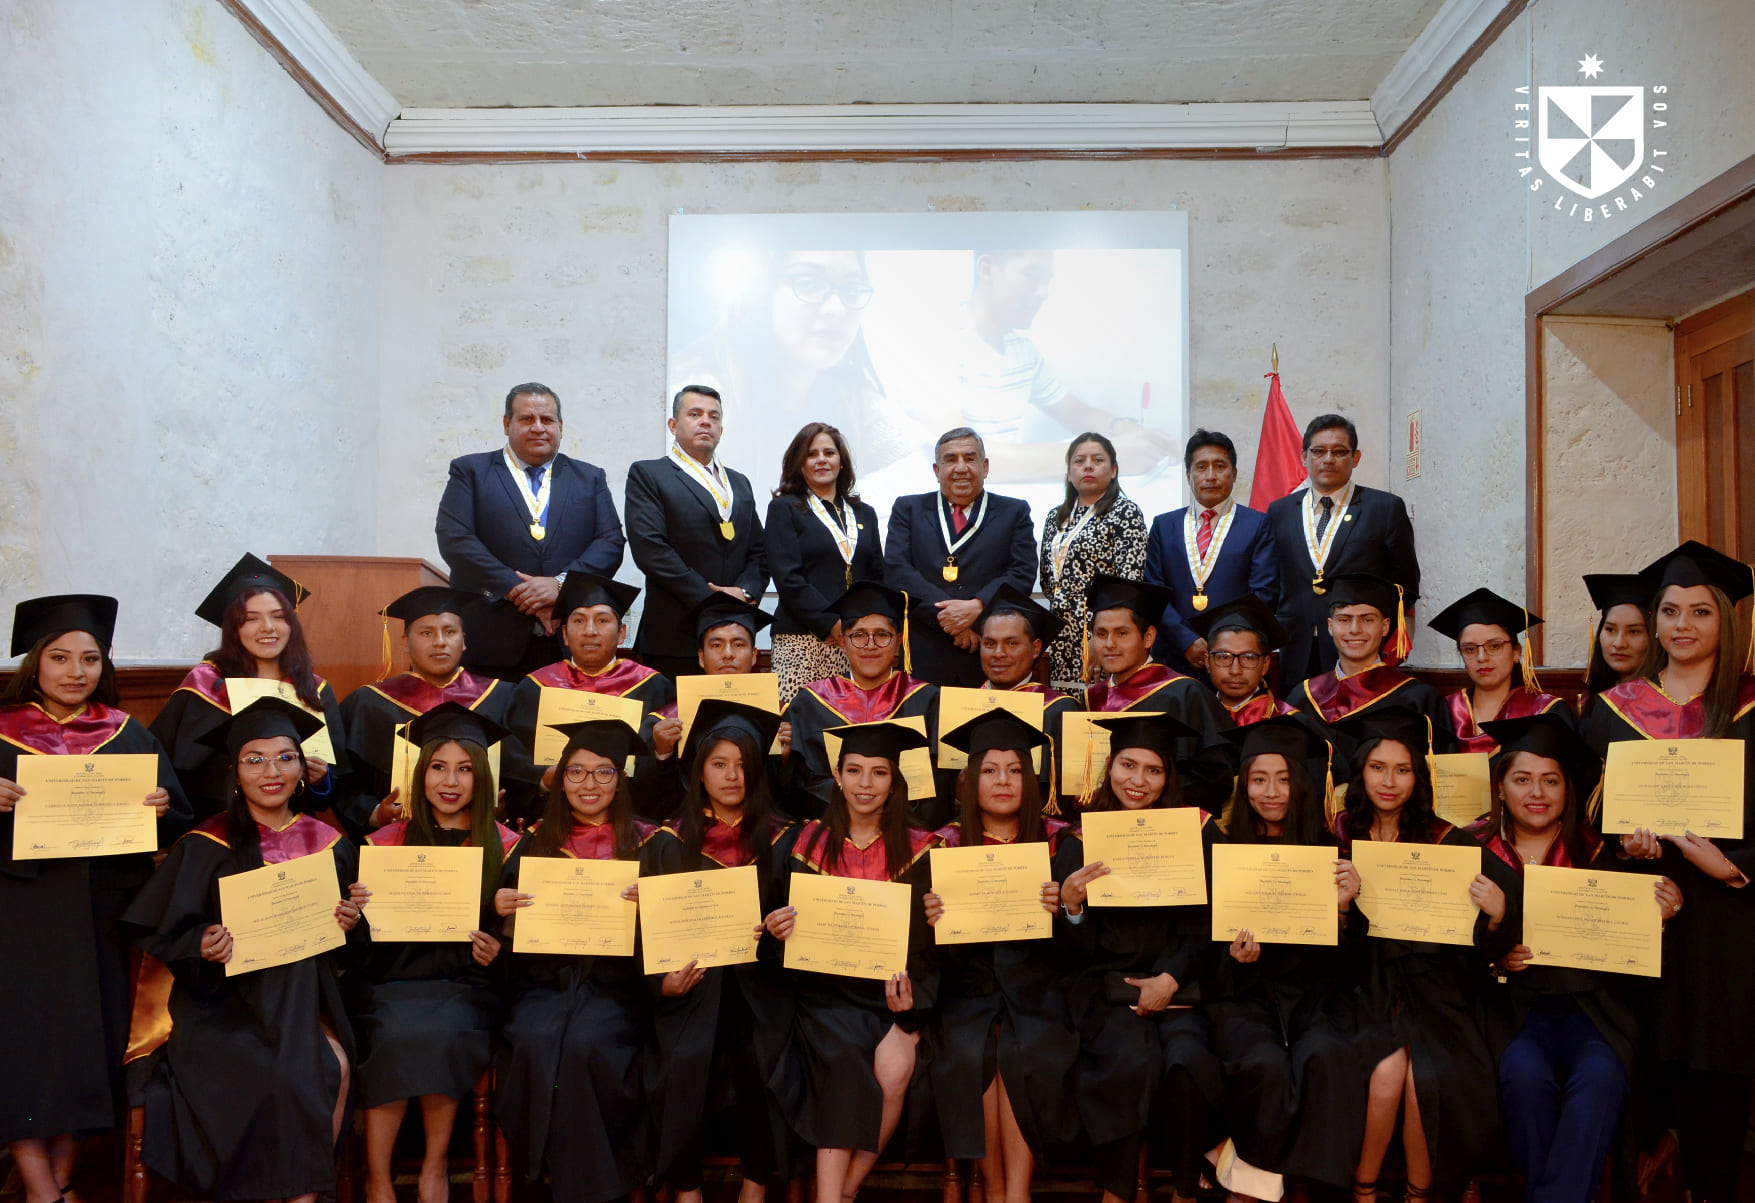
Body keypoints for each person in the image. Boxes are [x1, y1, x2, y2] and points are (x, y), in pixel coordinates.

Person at [123, 697, 363, 1203]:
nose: (271, 771)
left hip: (305, 998)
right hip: (222, 1007)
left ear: (303, 767)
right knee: (277, 1076)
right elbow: (162, 934)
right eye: (255, 759)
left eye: (286, 757)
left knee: (322, 1068)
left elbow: (351, 950)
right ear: (233, 771)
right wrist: (202, 945)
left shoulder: (328, 843)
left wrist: (349, 922)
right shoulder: (204, 844)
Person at [0, 595, 189, 1203]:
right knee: (24, 1047)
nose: (74, 671)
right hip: (20, 916)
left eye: (89, 658)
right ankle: (41, 1188)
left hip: (103, 915)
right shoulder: (3, 735)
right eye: (59, 657)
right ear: (36, 663)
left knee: (90, 1049)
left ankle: (59, 1179)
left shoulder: (129, 735)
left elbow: (176, 823)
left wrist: (161, 810)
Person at [1583, 542, 1755, 1203]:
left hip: (1726, 926)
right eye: (1669, 610)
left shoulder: (1746, 709)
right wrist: (1627, 847)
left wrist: (1732, 866)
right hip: (1643, 918)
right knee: (1640, 1068)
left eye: (1699, 611)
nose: (1682, 625)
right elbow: (1586, 828)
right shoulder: (1613, 708)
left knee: (1714, 1084)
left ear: (1725, 622)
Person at [1475, 711, 1680, 1203]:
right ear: (1500, 787)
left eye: (1551, 780)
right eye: (1522, 779)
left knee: (1603, 1076)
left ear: (1568, 789)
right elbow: (1448, 954)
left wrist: (1662, 912)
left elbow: (1632, 942)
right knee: (1524, 1077)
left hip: (1594, 1010)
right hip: (1514, 1011)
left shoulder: (1598, 853)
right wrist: (1498, 958)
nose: (1537, 792)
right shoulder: (1471, 849)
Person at [1330, 709, 1511, 1203]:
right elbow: (1322, 949)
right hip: (1361, 988)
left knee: (1423, 1076)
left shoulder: (1445, 838)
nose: (1389, 781)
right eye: (1377, 768)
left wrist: (1496, 918)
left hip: (1436, 989)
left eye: (1403, 769)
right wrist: (1342, 911)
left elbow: (1501, 917)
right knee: (1388, 1072)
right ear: (1360, 771)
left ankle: (1418, 1193)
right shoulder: (1337, 835)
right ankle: (1363, 1190)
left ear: (1418, 776)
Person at [762, 720, 938, 1203]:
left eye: (879, 773)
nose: (865, 784)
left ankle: (842, 1193)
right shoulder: (803, 845)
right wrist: (777, 932)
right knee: (844, 1058)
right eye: (854, 771)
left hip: (886, 1001)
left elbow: (927, 951)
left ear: (894, 781)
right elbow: (771, 934)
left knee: (897, 1071)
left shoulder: (921, 851)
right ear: (836, 776)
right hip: (819, 998)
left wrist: (909, 1009)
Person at [354, 703, 519, 1203]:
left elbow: (523, 946)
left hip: (467, 986)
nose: (451, 782)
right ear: (420, 775)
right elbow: (360, 948)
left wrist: (498, 944)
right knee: (392, 1029)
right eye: (438, 768)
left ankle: (434, 1166)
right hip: (390, 983)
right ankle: (378, 1175)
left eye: (465, 769)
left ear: (482, 777)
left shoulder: (507, 847)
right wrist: (355, 914)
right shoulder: (383, 844)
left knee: (443, 1030)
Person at [1057, 710, 1222, 1203]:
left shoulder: (1198, 834)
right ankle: (1118, 1189)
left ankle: (1187, 1189)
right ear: (1109, 768)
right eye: (1128, 766)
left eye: (1153, 770)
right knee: (1129, 1059)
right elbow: (1068, 954)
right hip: (1107, 990)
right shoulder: (1081, 841)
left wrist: (1169, 977)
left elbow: (1209, 923)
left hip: (1180, 986)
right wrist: (1071, 907)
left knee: (1188, 1062)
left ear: (1168, 776)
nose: (1138, 781)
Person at [493, 716, 658, 1203]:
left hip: (618, 989)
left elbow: (675, 933)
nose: (590, 784)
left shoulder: (652, 842)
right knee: (532, 1039)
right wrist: (501, 909)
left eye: (603, 772)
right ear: (560, 779)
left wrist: (653, 911)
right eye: (577, 772)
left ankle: (583, 1189)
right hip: (545, 986)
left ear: (620, 780)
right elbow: (506, 937)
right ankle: (547, 1178)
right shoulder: (535, 842)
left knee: (588, 1045)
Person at [1208, 715, 1366, 1200]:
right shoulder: (1223, 850)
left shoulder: (1327, 850)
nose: (1271, 792)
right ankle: (1251, 1190)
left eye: (1283, 779)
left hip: (1313, 997)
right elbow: (1203, 950)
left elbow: (1348, 966)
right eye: (1258, 779)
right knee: (1263, 1063)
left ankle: (1307, 1189)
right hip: (1245, 997)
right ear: (1244, 785)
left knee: (1327, 1056)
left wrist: (1343, 912)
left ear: (1300, 784)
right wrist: (1235, 958)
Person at [645, 701, 793, 1203]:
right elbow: (648, 937)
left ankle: (755, 1185)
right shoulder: (668, 842)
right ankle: (687, 1188)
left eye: (743, 764)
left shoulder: (783, 838)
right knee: (684, 1058)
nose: (733, 776)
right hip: (694, 987)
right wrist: (662, 982)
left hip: (762, 987)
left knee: (763, 1058)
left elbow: (799, 927)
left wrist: (783, 927)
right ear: (698, 771)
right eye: (719, 764)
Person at [924, 711, 1074, 1203]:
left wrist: (1066, 912)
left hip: (1039, 987)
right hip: (968, 989)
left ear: (1030, 781)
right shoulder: (944, 844)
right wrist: (931, 922)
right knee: (973, 1051)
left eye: (1014, 770)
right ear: (969, 781)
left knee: (1023, 1049)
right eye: (990, 770)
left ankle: (1018, 1193)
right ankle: (992, 1188)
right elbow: (931, 955)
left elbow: (1084, 945)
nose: (1003, 781)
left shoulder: (1059, 841)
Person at [435, 382, 627, 679]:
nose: (538, 427)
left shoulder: (589, 478)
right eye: (527, 419)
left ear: (560, 426)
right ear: (507, 423)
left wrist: (560, 586)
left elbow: (611, 542)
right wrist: (517, 589)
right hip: (491, 639)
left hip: (566, 641)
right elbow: (455, 539)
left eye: (547, 420)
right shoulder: (470, 472)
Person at [671, 249, 915, 479]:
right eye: (809, 284)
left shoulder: (854, 397)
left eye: (850, 290)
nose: (836, 309)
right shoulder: (702, 390)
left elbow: (914, 473)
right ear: (763, 292)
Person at [150, 554, 346, 819]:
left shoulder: (314, 690)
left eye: (278, 617)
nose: (268, 628)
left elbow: (334, 786)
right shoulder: (206, 685)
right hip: (218, 830)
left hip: (292, 832)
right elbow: (169, 770)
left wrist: (321, 780)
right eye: (251, 619)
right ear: (233, 628)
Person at [337, 586, 514, 840]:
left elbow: (520, 775)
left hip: (482, 842)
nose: (439, 641)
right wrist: (375, 813)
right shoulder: (368, 704)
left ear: (463, 641)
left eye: (449, 632)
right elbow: (343, 782)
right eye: (426, 632)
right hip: (398, 843)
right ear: (406, 642)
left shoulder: (502, 697)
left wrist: (506, 809)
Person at [625, 385, 769, 681]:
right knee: (674, 725)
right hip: (674, 636)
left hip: (735, 638)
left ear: (721, 428)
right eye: (695, 414)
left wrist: (744, 592)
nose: (706, 421)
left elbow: (760, 551)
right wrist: (712, 599)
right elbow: (651, 549)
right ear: (673, 425)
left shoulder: (739, 483)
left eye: (713, 416)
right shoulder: (650, 474)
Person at [503, 574, 674, 819]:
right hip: (552, 819)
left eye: (602, 620)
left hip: (630, 819)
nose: (590, 631)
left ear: (622, 632)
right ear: (564, 634)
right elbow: (513, 762)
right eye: (579, 621)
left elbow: (661, 769)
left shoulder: (654, 687)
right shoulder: (534, 689)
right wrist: (543, 780)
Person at [1265, 415, 1420, 685]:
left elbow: (1405, 585)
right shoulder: (1279, 511)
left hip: (1358, 647)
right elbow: (1273, 581)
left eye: (1339, 452)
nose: (1328, 459)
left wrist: (1377, 636)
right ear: (1304, 456)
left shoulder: (1383, 508)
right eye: (1318, 451)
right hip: (1295, 646)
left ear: (1355, 457)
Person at [883, 428, 1038, 687]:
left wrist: (978, 608)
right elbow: (897, 571)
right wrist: (954, 618)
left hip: (987, 653)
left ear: (985, 466)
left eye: (970, 458)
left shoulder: (1014, 512)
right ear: (936, 469)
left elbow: (1022, 572)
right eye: (951, 459)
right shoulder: (908, 509)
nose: (961, 467)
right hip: (925, 653)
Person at [782, 582, 939, 822]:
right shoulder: (810, 703)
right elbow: (798, 784)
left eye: (882, 635)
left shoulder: (926, 699)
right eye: (858, 635)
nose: (870, 645)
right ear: (842, 642)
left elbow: (940, 785)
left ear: (898, 641)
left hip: (907, 832)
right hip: (832, 830)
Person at [1080, 574, 1233, 810]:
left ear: (1148, 637)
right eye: (1101, 634)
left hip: (1165, 829)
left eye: (1122, 633)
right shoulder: (1092, 699)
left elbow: (1216, 779)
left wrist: (1148, 796)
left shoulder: (1184, 694)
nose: (1109, 644)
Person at [764, 422, 886, 705]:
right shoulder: (784, 508)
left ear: (841, 462)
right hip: (802, 640)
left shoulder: (864, 513)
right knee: (799, 732)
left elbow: (877, 576)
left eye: (829, 453)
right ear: (800, 463)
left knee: (849, 730)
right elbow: (788, 578)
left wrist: (861, 627)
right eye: (812, 454)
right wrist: (832, 623)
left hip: (857, 643)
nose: (821, 460)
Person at [1143, 429, 1280, 677]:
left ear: (1234, 474)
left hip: (1233, 661)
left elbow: (1263, 594)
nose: (1211, 476)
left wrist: (1224, 646)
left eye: (1220, 466)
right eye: (1201, 467)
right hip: (1174, 656)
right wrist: (1186, 640)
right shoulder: (1164, 525)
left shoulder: (1257, 524)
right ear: (1188, 475)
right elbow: (1153, 592)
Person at [1289, 573, 1453, 749]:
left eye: (1367, 619)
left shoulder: (1418, 700)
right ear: (1330, 626)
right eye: (1344, 619)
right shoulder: (1303, 698)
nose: (1355, 630)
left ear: (1385, 626)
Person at [1037, 432, 1148, 692]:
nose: (1088, 466)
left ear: (1114, 470)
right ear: (1068, 473)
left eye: (1097, 460)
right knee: (1063, 715)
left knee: (1096, 714)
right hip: (1061, 637)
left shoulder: (1125, 512)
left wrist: (1102, 638)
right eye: (1079, 461)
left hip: (1101, 636)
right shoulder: (1055, 517)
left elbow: (1128, 584)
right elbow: (1046, 580)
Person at [1427, 587, 1569, 753]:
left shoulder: (1545, 712)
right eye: (1470, 649)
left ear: (1516, 651)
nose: (1482, 657)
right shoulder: (1445, 711)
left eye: (1494, 646)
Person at [974, 585, 1079, 801]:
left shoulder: (1059, 711)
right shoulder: (962, 707)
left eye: (1012, 643)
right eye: (989, 643)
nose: (999, 653)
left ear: (1036, 648)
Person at [1188, 595, 1296, 725]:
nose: (1235, 671)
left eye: (1248, 658)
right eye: (1224, 657)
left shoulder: (1289, 725)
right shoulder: (1190, 720)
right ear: (1207, 662)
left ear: (1265, 665)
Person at [1582, 572, 1652, 707]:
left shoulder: (1663, 708)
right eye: (1610, 630)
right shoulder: (1589, 704)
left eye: (1633, 632)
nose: (1619, 643)